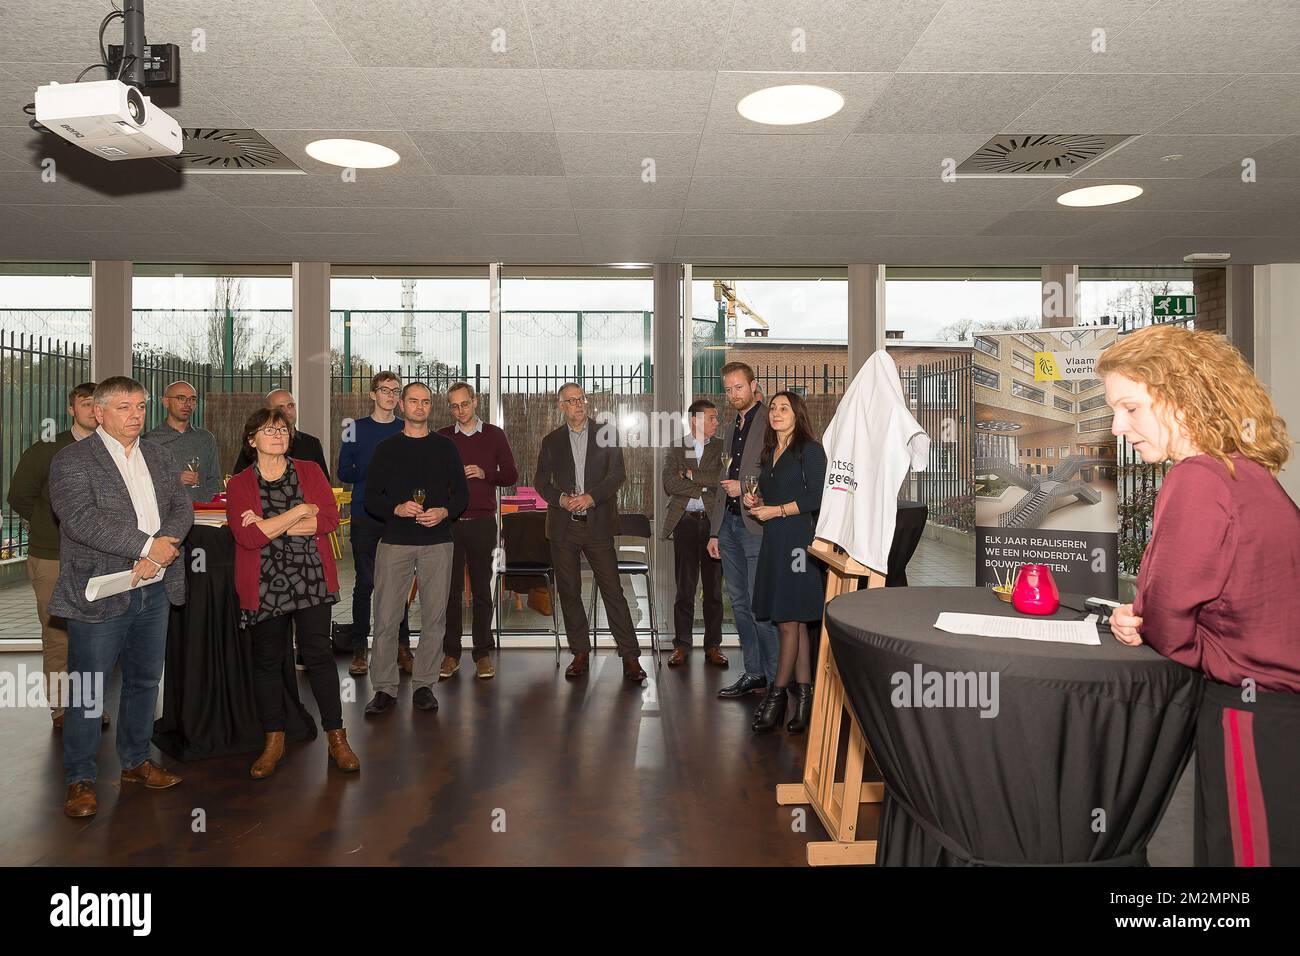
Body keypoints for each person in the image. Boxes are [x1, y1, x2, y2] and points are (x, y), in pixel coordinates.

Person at [1100, 325, 1299, 866]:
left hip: (1253, 710)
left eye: (1131, 408)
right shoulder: (1246, 470)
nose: (1119, 426)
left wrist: (1145, 623)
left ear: (1182, 398)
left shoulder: (1197, 479)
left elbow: (1166, 617)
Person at [46, 377, 192, 818]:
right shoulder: (72, 460)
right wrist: (150, 547)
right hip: (101, 594)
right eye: (125, 406)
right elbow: (81, 521)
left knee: (145, 682)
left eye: (141, 406)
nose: (136, 415)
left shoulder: (160, 455)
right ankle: (79, 779)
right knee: (89, 691)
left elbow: (180, 507)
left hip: (155, 588)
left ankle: (135, 762)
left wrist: (162, 549)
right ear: (99, 412)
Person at [226, 407, 359, 778]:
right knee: (268, 661)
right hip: (264, 582)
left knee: (318, 655)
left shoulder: (309, 470)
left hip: (312, 577)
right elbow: (247, 537)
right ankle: (273, 739)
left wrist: (269, 524)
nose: (279, 435)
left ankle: (337, 737)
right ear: (252, 440)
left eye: (283, 429)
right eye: (270, 430)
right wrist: (299, 511)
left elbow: (329, 520)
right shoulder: (238, 484)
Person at [7, 382, 110, 730]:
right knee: (58, 636)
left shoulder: (113, 450)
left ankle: (91, 703)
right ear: (72, 410)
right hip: (53, 557)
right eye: (85, 403)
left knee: (96, 636)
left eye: (98, 404)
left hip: (100, 558)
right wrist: (47, 525)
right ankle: (62, 707)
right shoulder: (46, 450)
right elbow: (19, 496)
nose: (92, 409)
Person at [363, 383, 469, 715]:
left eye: (425, 402)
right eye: (413, 401)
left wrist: (444, 512)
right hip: (395, 542)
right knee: (385, 618)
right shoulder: (386, 448)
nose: (420, 407)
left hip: (437, 543)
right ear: (401, 405)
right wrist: (395, 508)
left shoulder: (446, 447)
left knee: (435, 618)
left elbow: (462, 496)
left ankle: (424, 685)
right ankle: (384, 688)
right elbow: (370, 498)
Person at [535, 383, 647, 682]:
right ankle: (580, 653)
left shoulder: (606, 433)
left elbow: (618, 474)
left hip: (597, 526)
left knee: (613, 591)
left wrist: (591, 497)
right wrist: (561, 499)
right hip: (563, 528)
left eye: (581, 399)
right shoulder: (551, 441)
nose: (578, 404)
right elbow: (541, 483)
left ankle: (631, 657)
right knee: (570, 593)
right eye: (571, 401)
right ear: (561, 406)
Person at [744, 390, 827, 735]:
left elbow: (817, 496)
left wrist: (775, 510)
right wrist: (758, 498)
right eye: (774, 408)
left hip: (797, 544)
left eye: (785, 408)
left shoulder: (809, 449)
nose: (776, 413)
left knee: (789, 622)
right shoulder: (771, 451)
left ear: (797, 415)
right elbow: (777, 494)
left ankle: (776, 698)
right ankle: (805, 702)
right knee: (796, 622)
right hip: (775, 542)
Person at [437, 382, 517, 681]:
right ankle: (451, 654)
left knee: (483, 591)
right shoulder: (443, 437)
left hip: (483, 524)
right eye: (454, 406)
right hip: (450, 524)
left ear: (475, 401)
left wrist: (486, 474)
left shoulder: (494, 434)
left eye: (465, 404)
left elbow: (511, 474)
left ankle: (482, 654)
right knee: (451, 594)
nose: (460, 411)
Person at [708, 362, 779, 699]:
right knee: (737, 603)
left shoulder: (770, 421)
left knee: (758, 605)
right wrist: (714, 531)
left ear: (754, 385)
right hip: (730, 527)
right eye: (728, 389)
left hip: (757, 526)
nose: (733, 394)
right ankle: (754, 673)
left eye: (738, 387)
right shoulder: (732, 424)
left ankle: (778, 677)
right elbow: (724, 484)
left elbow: (781, 474)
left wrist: (750, 488)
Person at [337, 371, 412, 678]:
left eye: (395, 391)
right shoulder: (354, 428)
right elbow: (344, 471)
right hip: (365, 514)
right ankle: (358, 650)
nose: (391, 395)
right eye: (384, 390)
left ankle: (402, 647)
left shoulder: (406, 428)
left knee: (398, 584)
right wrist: (375, 467)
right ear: (372, 394)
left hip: (398, 517)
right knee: (365, 583)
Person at [661, 399, 726, 667]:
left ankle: (713, 646)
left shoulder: (723, 447)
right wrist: (701, 485)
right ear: (695, 421)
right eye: (711, 418)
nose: (716, 422)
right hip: (686, 523)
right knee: (684, 589)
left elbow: (721, 479)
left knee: (713, 590)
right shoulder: (678, 447)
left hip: (714, 524)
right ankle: (682, 646)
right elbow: (669, 483)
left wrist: (689, 475)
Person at [144, 380, 222, 502]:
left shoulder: (206, 438)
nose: (187, 404)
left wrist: (211, 508)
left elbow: (214, 481)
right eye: (181, 398)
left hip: (204, 516)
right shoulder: (149, 441)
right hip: (166, 516)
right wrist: (175, 479)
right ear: (165, 402)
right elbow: (142, 486)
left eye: (192, 399)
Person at [232, 389, 330, 481]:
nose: (287, 412)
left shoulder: (312, 444)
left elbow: (325, 484)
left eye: (290, 406)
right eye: (280, 407)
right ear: (267, 411)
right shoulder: (258, 445)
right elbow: (239, 481)